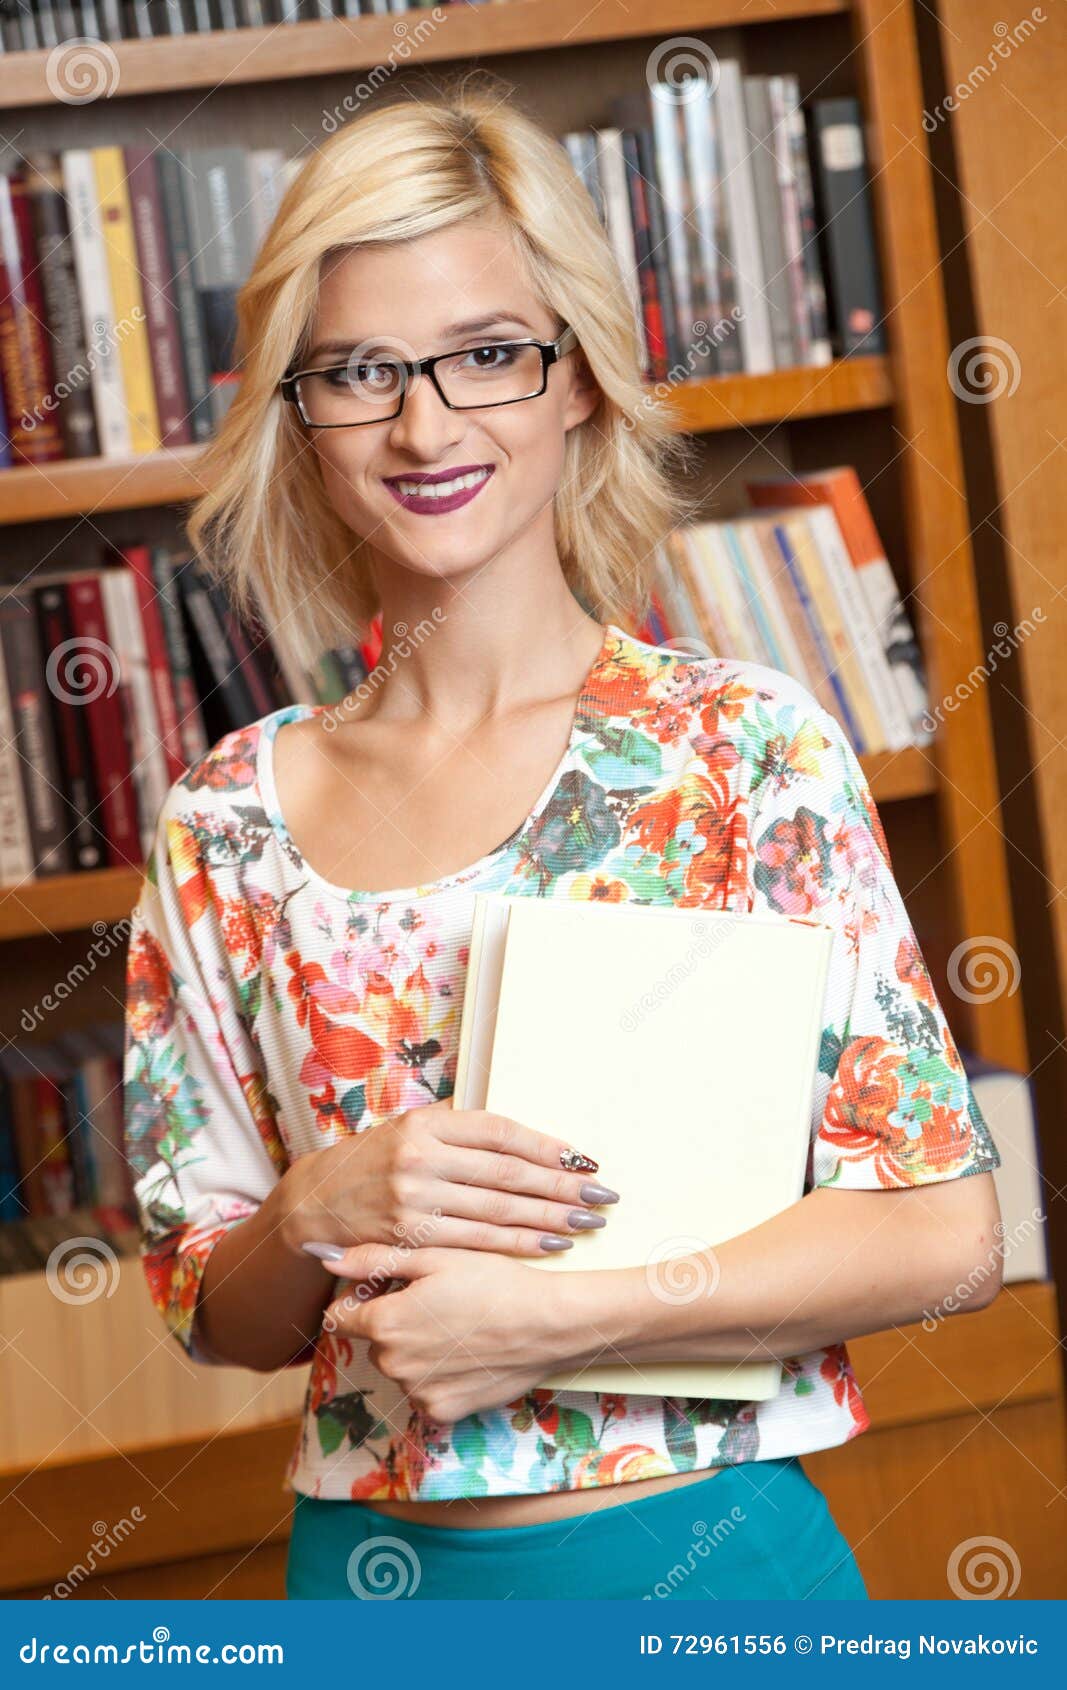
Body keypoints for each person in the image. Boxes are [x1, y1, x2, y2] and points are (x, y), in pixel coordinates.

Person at [122, 80, 1004, 1602]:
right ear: (299, 414)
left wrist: (563, 1316)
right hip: (369, 1582)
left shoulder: (740, 752)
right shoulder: (226, 816)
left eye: (485, 354)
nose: (425, 423)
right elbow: (217, 1309)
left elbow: (945, 1230)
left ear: (580, 377)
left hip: (709, 1565)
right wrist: (311, 1211)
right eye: (359, 372)